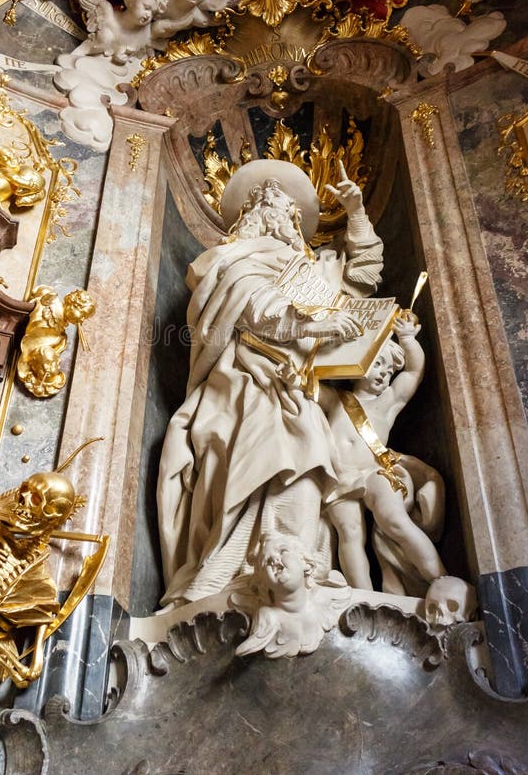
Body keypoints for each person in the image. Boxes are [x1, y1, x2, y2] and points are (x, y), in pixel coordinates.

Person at [157, 158, 384, 607]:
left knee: (305, 464)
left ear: (296, 220)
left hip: (300, 390)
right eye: (262, 202)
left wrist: (356, 213)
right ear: (247, 215)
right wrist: (318, 325)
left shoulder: (314, 269)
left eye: (282, 204)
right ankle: (227, 572)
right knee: (271, 452)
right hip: (246, 384)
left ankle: (304, 570)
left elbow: (364, 278)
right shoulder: (230, 263)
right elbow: (255, 308)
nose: (273, 208)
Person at [322, 315, 448, 591]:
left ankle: (440, 579)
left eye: (388, 370)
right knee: (350, 533)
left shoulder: (388, 402)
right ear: (358, 364)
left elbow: (414, 372)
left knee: (394, 521)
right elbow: (306, 382)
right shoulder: (336, 399)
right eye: (377, 364)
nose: (382, 373)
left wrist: (407, 340)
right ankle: (364, 598)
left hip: (373, 473)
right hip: (340, 478)